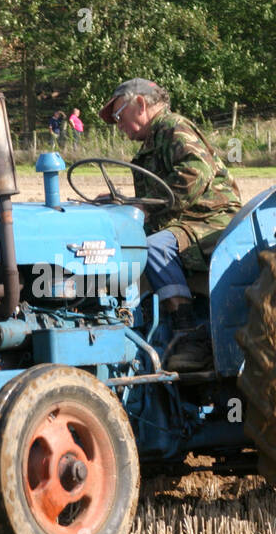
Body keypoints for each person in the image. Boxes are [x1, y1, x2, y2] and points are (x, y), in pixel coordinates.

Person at [98, 78, 242, 372]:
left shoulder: (173, 127)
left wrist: (145, 205)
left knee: (154, 246)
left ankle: (187, 332)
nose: (118, 125)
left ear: (139, 104)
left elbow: (195, 172)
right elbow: (158, 193)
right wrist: (122, 201)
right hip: (182, 218)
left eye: (118, 115)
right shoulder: (153, 140)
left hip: (209, 218)